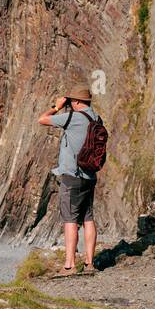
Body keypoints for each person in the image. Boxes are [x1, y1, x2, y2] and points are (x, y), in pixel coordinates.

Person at [36, 85, 102, 276]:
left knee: (70, 220)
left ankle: (69, 266)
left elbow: (42, 119)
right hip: (90, 175)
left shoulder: (72, 118)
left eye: (72, 101)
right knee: (88, 218)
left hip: (72, 176)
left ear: (77, 102)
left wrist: (56, 107)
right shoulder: (96, 118)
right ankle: (90, 263)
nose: (70, 104)